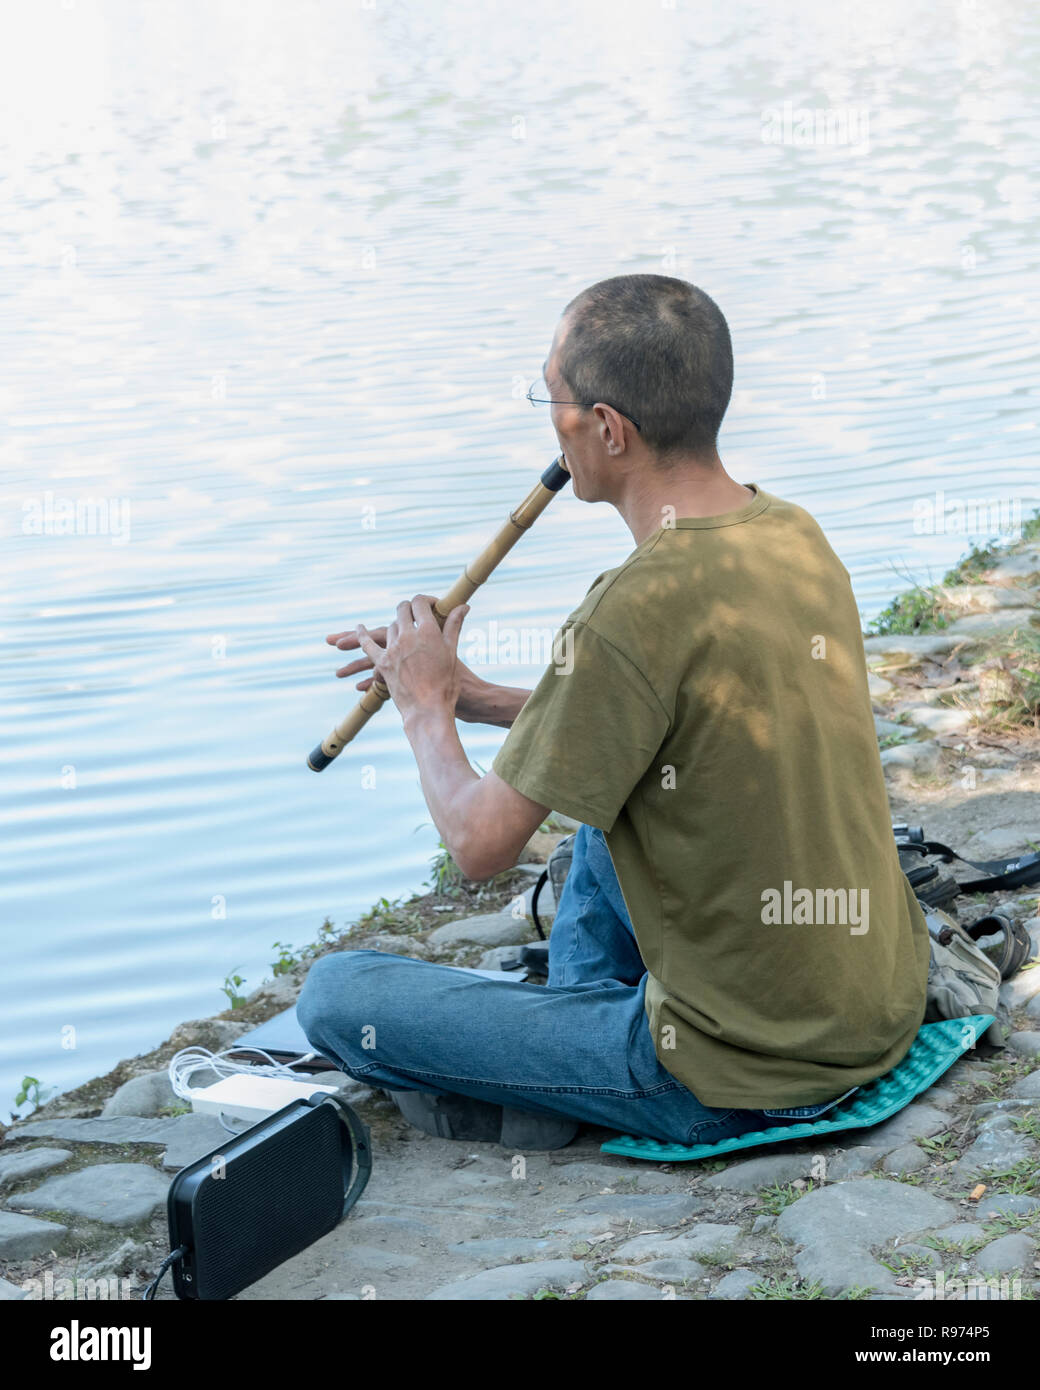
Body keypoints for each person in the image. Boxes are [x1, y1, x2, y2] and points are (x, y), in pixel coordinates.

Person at [296, 273, 930, 1150]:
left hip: (733, 1071)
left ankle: (583, 1068)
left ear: (606, 429)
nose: (546, 417)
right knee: (606, 812)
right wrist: (474, 697)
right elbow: (668, 719)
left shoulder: (629, 609)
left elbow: (479, 847)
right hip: (872, 1007)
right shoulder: (792, 532)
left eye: (551, 396)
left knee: (336, 994)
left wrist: (423, 707)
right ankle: (569, 1046)